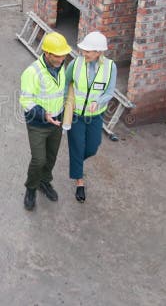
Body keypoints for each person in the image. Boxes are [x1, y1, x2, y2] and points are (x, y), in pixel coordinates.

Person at [19, 32, 72, 211]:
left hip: (56, 121)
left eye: (63, 54)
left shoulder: (61, 66)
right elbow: (26, 101)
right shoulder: (32, 72)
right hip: (38, 123)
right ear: (47, 53)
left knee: (51, 156)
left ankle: (44, 182)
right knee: (38, 159)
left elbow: (60, 93)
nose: (62, 58)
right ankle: (31, 188)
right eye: (58, 55)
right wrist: (44, 115)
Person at [66, 31, 116, 202]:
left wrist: (100, 102)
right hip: (76, 115)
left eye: (88, 51)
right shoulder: (76, 63)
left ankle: (76, 161)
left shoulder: (110, 67)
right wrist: (65, 106)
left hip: (95, 116)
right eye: (84, 50)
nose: (84, 53)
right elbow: (66, 84)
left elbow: (109, 92)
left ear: (99, 52)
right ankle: (80, 183)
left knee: (92, 147)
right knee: (77, 146)